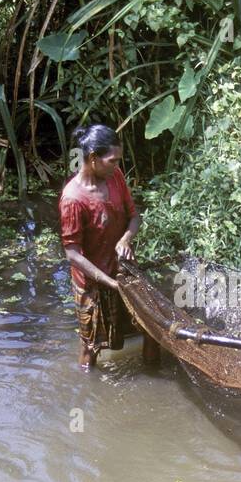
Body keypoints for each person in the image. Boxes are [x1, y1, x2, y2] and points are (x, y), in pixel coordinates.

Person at [59, 123, 160, 371]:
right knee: (91, 345)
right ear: (93, 158)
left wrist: (125, 239)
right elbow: (72, 252)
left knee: (151, 327)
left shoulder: (115, 177)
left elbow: (134, 217)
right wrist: (108, 282)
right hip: (92, 284)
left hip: (123, 272)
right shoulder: (73, 198)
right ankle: (89, 392)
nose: (117, 166)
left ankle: (152, 378)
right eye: (112, 160)